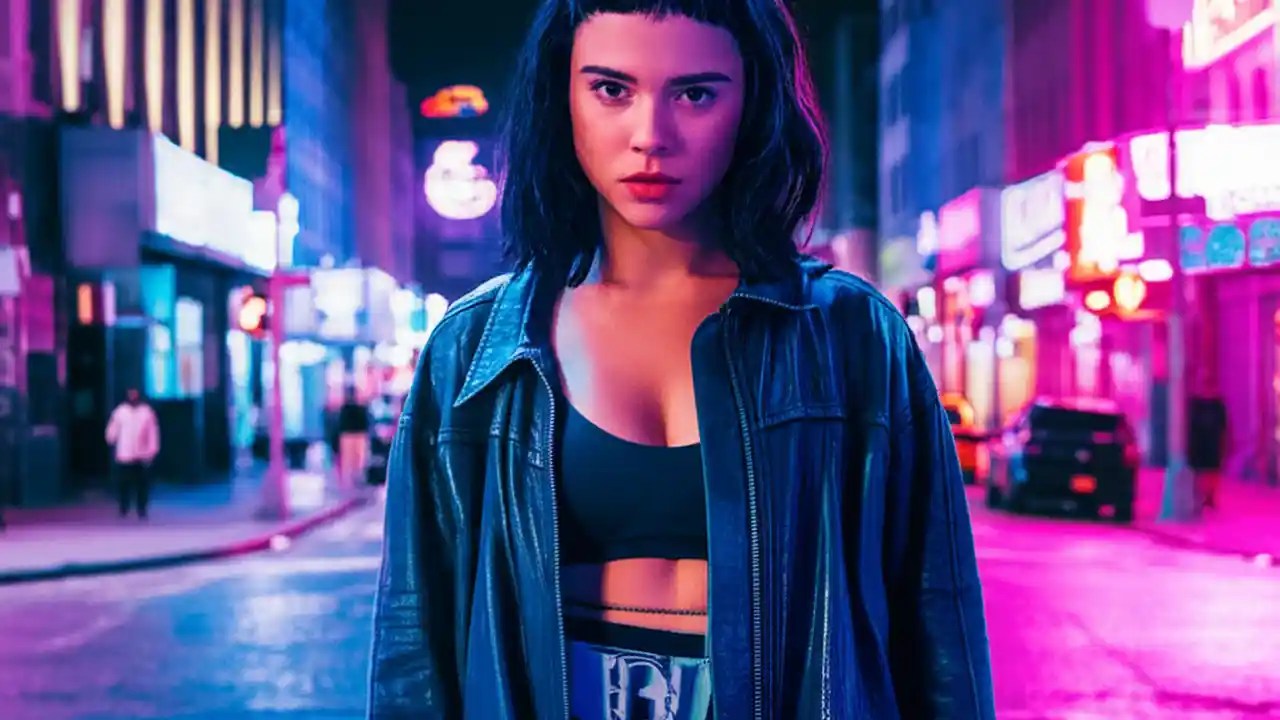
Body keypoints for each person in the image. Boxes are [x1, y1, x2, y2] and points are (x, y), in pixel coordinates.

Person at [369, 0, 994, 717]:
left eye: (694, 93)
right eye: (611, 89)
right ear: (561, 97)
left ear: (752, 100)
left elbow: (937, 623)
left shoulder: (853, 336)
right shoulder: (476, 347)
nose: (650, 137)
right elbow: (414, 649)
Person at [105, 387, 160, 519]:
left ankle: (142, 508)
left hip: (142, 455)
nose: (133, 397)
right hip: (125, 454)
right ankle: (124, 507)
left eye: (135, 395)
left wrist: (152, 450)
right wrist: (110, 438)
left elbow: (153, 433)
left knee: (142, 484)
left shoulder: (146, 412)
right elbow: (112, 430)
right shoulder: (120, 412)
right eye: (130, 395)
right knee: (124, 483)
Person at [337, 386, 372, 487]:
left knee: (358, 458)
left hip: (356, 435)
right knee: (351, 459)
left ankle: (355, 479)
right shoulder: (348, 408)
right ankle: (350, 480)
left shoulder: (360, 408)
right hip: (349, 435)